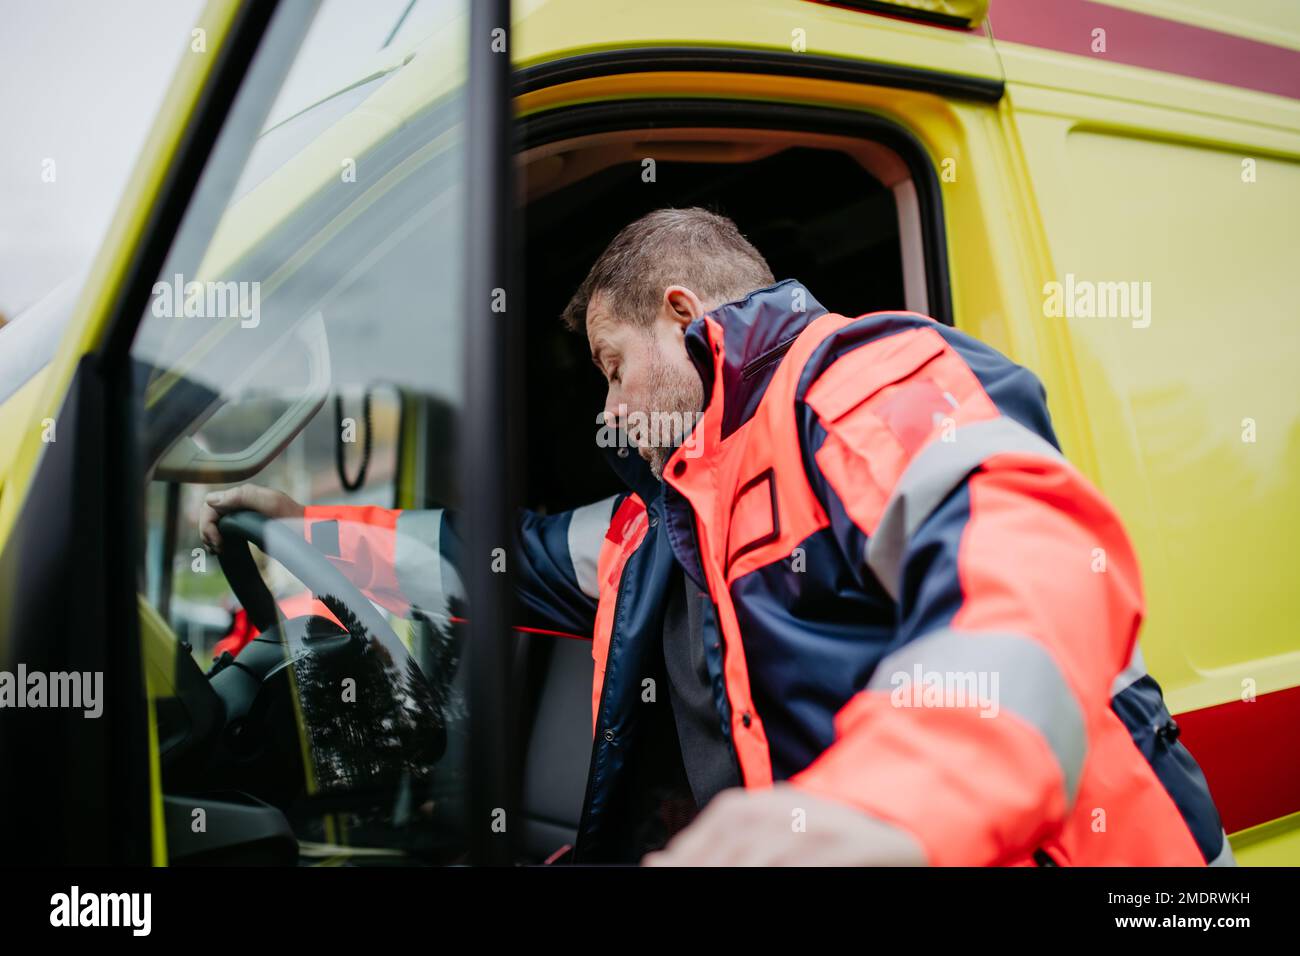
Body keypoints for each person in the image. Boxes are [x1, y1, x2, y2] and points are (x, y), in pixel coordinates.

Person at [202, 207, 1231, 866]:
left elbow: (1033, 580)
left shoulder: (868, 382)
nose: (607, 409)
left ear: (684, 314)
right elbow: (488, 556)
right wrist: (314, 530)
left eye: (613, 365)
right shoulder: (658, 522)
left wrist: (880, 811)